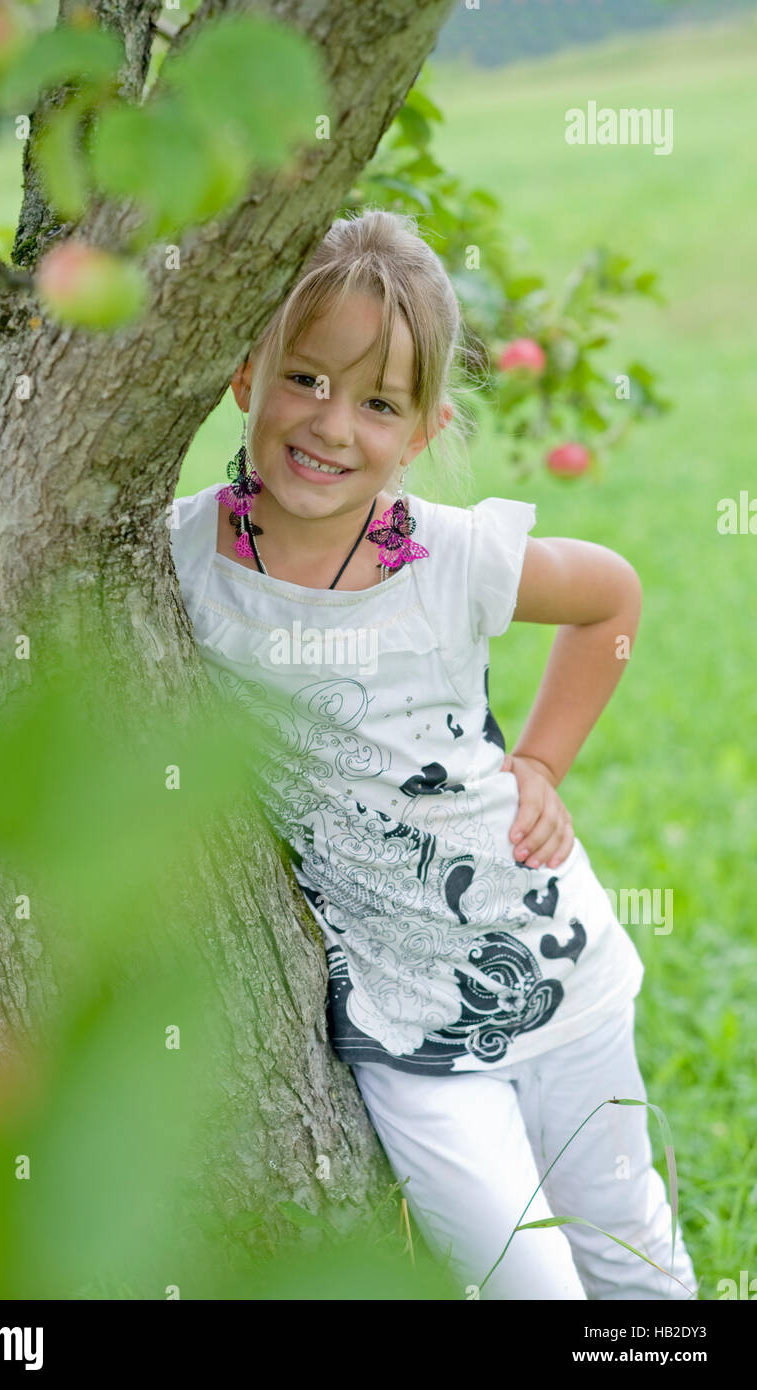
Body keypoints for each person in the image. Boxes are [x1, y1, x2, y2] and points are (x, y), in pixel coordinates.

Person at [169, 208, 698, 1301]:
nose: (330, 424)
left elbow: (610, 598)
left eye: (376, 402)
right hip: (403, 1034)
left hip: (561, 970)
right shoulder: (178, 557)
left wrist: (542, 764)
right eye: (306, 378)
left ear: (419, 431)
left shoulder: (449, 557)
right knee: (527, 1284)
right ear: (243, 377)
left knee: (632, 1257)